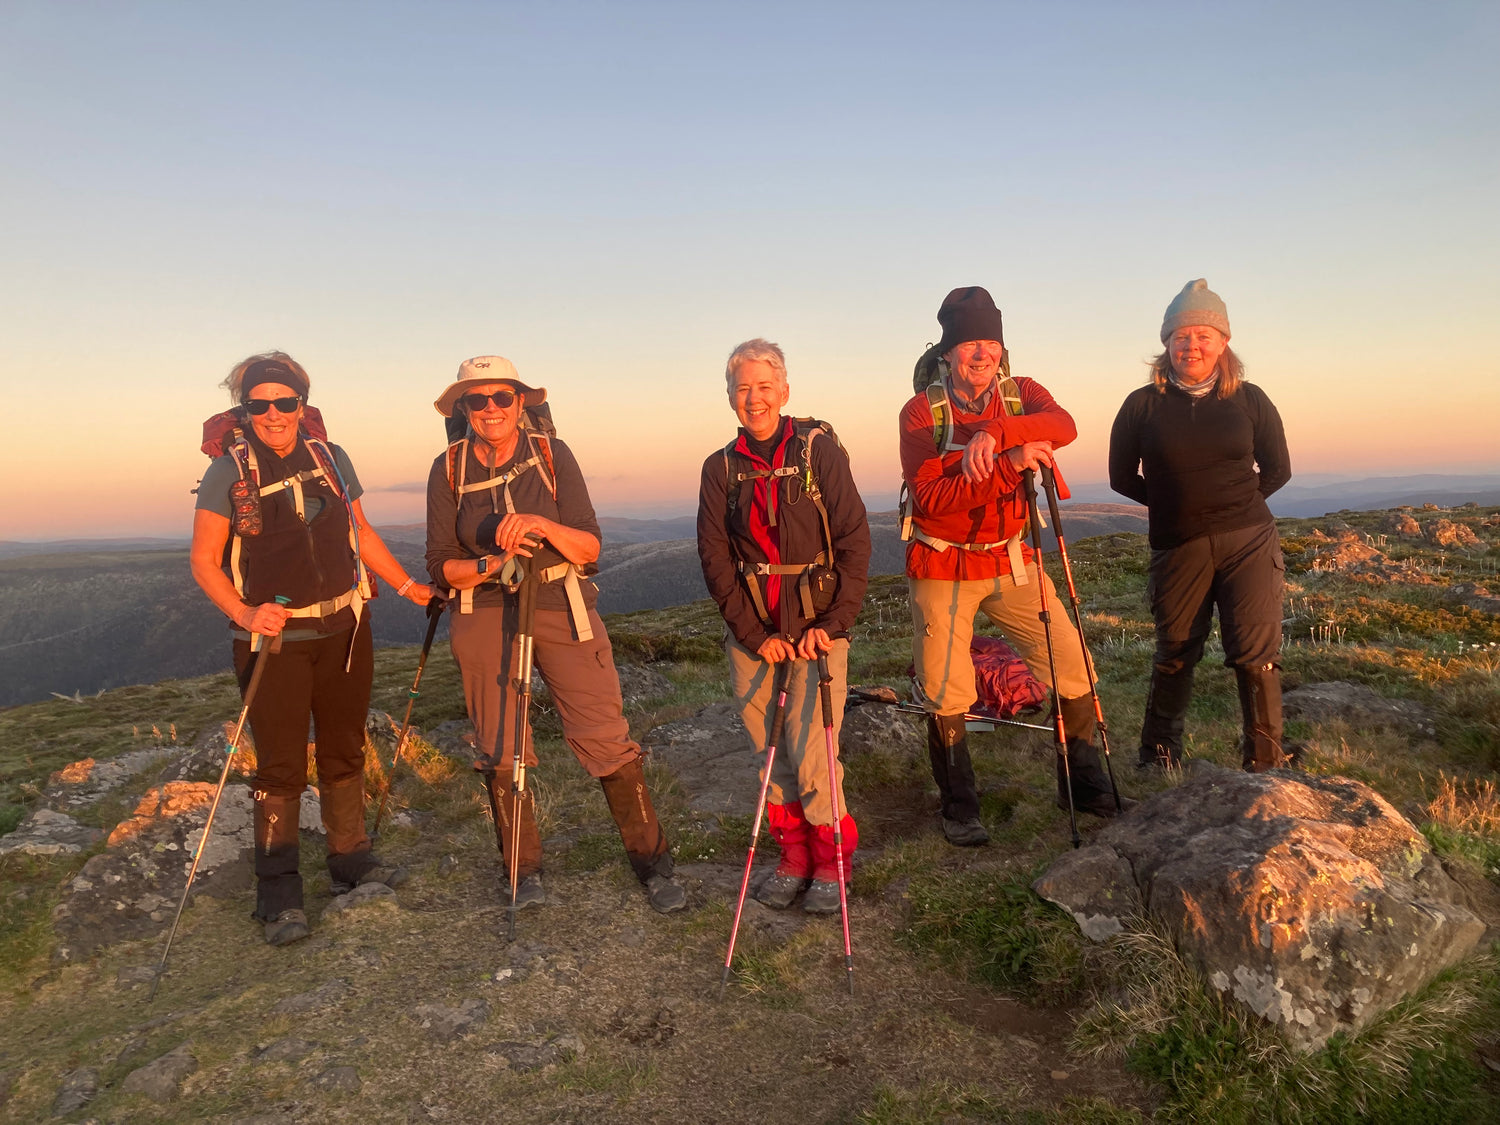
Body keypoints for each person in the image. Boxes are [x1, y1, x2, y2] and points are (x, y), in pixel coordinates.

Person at [424, 355, 687, 915]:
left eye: (502, 397)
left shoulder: (551, 454)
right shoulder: (447, 469)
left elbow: (590, 546)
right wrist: (493, 564)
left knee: (605, 735)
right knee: (499, 746)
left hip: (560, 602)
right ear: (463, 409)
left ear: (522, 403)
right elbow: (441, 566)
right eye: (477, 399)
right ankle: (522, 870)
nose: (491, 409)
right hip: (484, 608)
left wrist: (541, 526)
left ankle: (653, 865)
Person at [190, 351, 432, 946]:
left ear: (303, 403)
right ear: (243, 410)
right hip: (273, 640)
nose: (273, 414)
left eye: (285, 402)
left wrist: (408, 588)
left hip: (346, 626)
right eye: (259, 404)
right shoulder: (229, 470)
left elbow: (360, 531)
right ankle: (279, 897)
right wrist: (245, 611)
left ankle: (350, 860)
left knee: (346, 747)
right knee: (280, 765)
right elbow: (203, 560)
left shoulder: (329, 456)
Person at [900, 287, 1123, 846]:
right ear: (947, 351)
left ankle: (1084, 788)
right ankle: (959, 807)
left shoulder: (1021, 394)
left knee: (1072, 668)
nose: (982, 354)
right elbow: (930, 498)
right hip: (943, 564)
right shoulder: (921, 412)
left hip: (1012, 558)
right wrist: (1008, 464)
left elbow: (1065, 424)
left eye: (991, 342)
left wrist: (995, 434)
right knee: (946, 689)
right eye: (970, 343)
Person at [696, 339, 871, 913]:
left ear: (784, 391)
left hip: (817, 627)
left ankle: (830, 857)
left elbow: (852, 539)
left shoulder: (818, 449)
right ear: (729, 397)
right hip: (756, 634)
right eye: (742, 389)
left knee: (813, 749)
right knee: (768, 750)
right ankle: (793, 854)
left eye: (763, 387)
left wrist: (837, 623)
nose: (753, 398)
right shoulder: (720, 468)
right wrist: (754, 635)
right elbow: (716, 559)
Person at [1108, 279, 1293, 772]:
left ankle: (1265, 761)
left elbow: (1278, 469)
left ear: (1223, 343)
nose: (1192, 346)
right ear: (1166, 344)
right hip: (1178, 545)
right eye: (1182, 336)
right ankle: (1159, 759)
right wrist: (1174, 507)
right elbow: (1121, 478)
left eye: (1203, 336)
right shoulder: (1140, 405)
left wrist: (1238, 507)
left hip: (1249, 541)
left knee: (1255, 651)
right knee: (1175, 650)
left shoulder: (1250, 399)